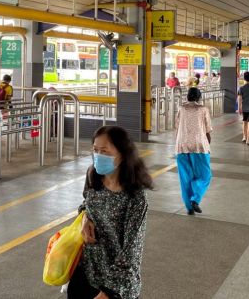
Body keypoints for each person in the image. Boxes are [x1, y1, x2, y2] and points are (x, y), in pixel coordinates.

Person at [68, 126, 153, 299]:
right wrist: (85, 218)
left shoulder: (135, 196)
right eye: (95, 150)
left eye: (104, 151)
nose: (98, 156)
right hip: (88, 270)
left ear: (122, 153)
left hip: (118, 283)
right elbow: (86, 203)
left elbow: (132, 250)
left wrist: (108, 293)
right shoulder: (93, 175)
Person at [174, 87, 212, 215]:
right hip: (199, 146)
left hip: (181, 146)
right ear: (199, 97)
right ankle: (195, 199)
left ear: (187, 97)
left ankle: (189, 208)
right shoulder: (203, 109)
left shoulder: (181, 108)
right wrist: (208, 145)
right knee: (205, 176)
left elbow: (177, 126)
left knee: (185, 178)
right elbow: (207, 130)